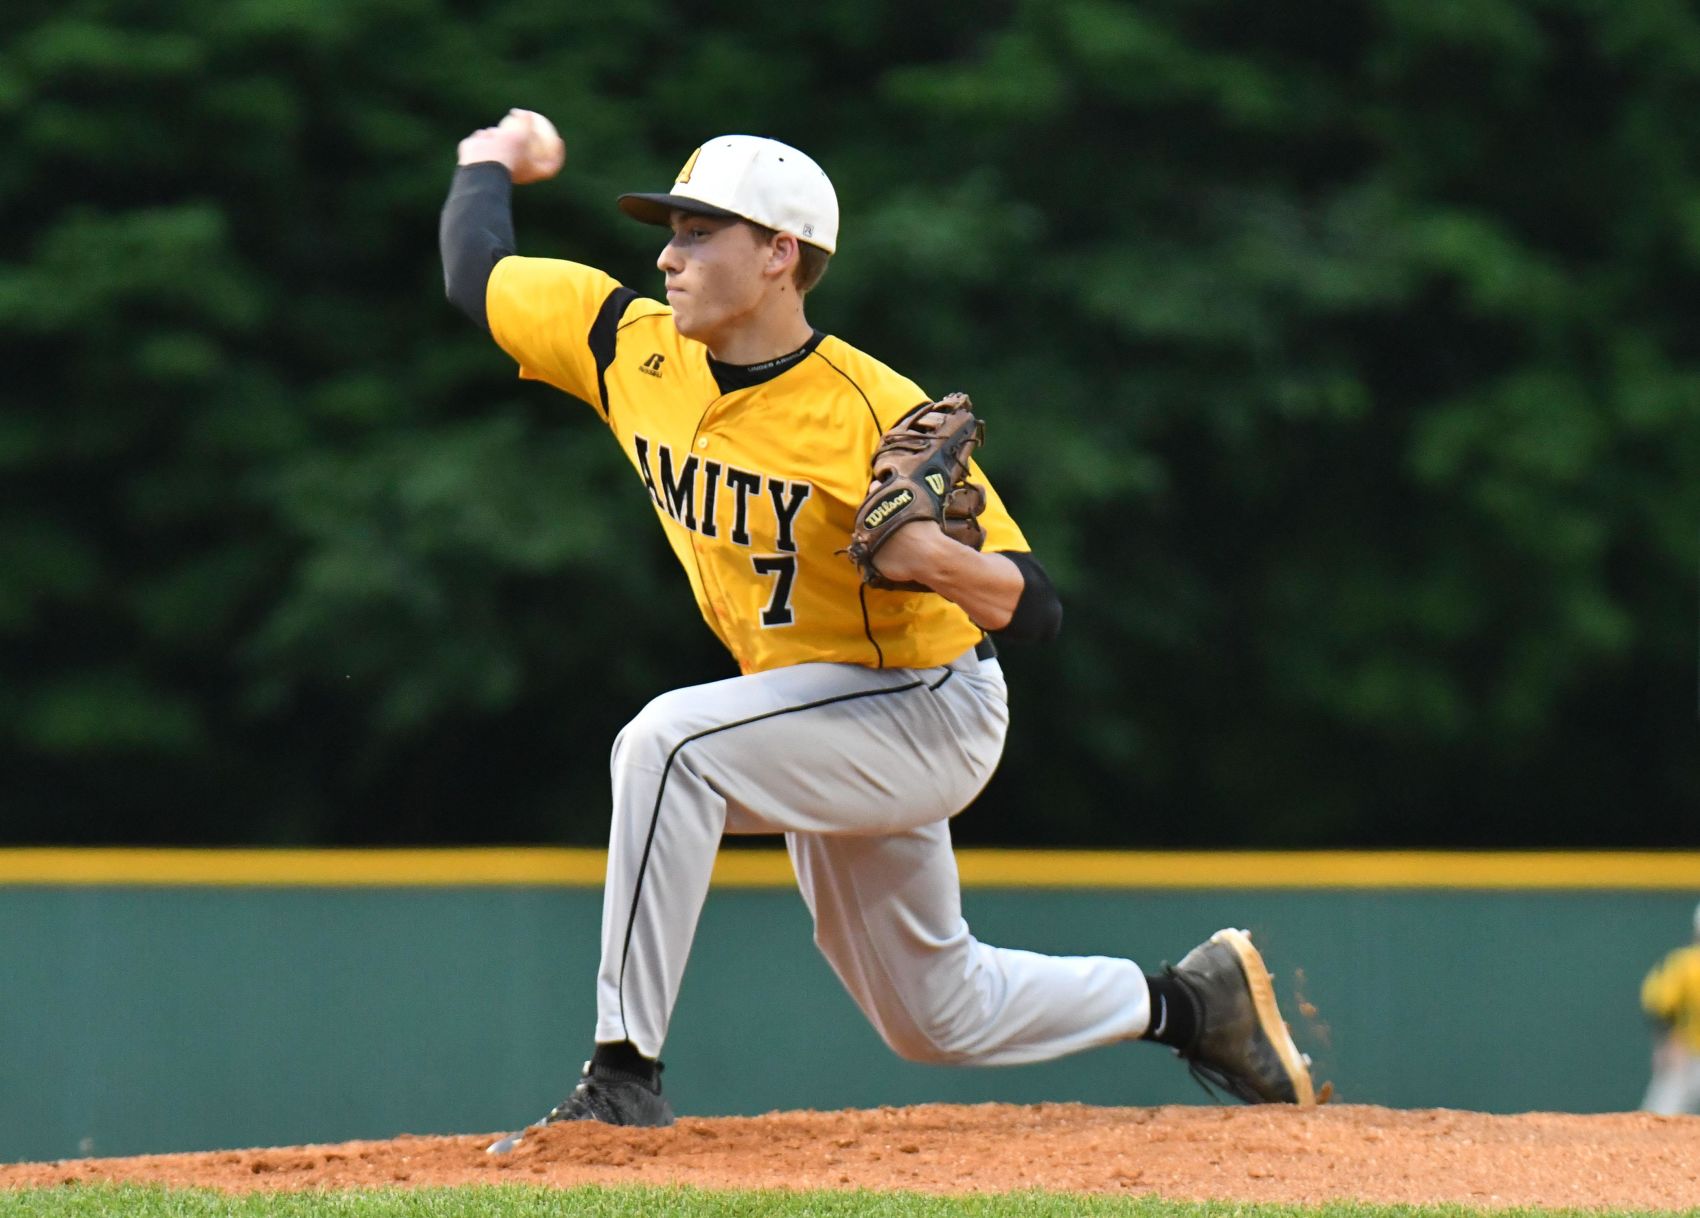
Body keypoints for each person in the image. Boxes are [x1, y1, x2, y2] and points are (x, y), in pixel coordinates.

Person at [438, 115, 1316, 1145]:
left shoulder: (868, 409)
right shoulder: (624, 343)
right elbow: (475, 273)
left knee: (665, 747)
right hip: (802, 711)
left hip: (925, 707)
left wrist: (935, 559)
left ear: (780, 254)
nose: (669, 257)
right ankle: (1192, 1005)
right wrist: (487, 158)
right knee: (935, 1015)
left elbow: (1036, 606)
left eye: (700, 233)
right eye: (670, 232)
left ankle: (622, 1077)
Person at [1639, 902, 1700, 1114]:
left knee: (1658, 1118)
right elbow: (1659, 1003)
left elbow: (1657, 1003)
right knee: (1659, 1114)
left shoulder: (1684, 962)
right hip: (1688, 1055)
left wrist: (1665, 1042)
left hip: (1688, 1055)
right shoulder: (1686, 964)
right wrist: (1668, 1042)